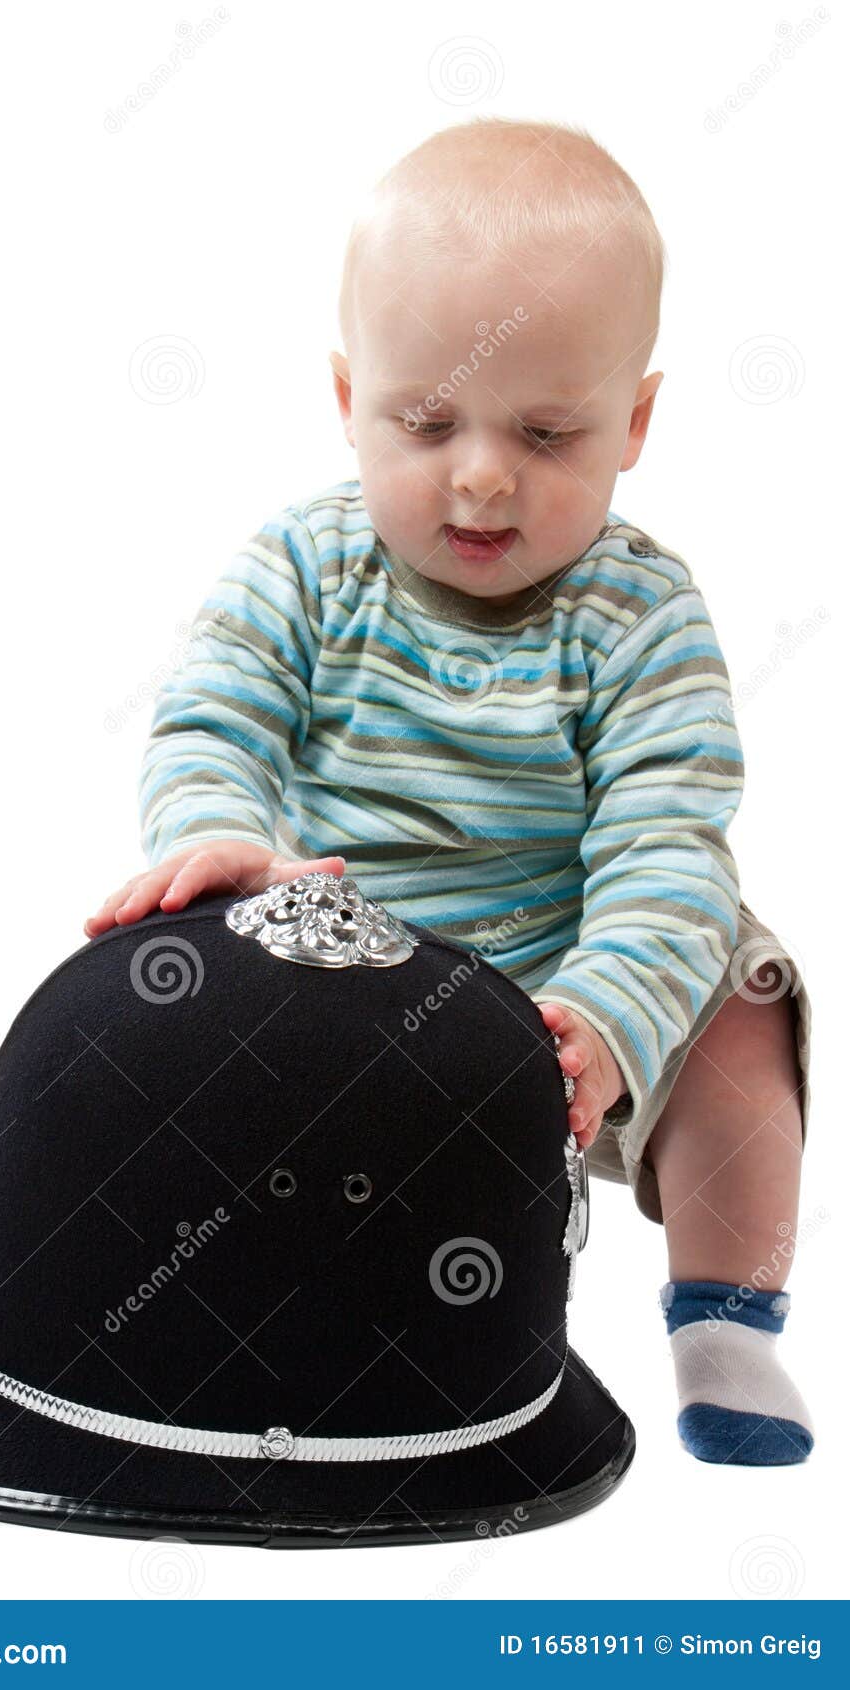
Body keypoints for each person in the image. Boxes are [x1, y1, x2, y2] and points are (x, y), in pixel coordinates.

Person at [85, 117, 813, 1467]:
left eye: (547, 431)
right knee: (156, 989)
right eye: (425, 422)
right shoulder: (305, 564)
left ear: (637, 421)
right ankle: (199, 1295)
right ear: (348, 395)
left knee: (750, 1011)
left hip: (573, 981)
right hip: (342, 970)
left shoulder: (640, 613)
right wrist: (221, 835)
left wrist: (607, 1015)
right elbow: (211, 715)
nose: (481, 473)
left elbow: (669, 843)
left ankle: (729, 1311)